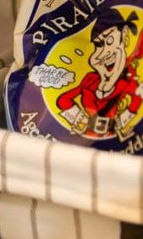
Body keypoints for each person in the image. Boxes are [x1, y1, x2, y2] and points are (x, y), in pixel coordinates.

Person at [58, 8, 143, 140]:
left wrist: (120, 121)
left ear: (124, 35)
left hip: (114, 139)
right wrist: (82, 121)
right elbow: (63, 100)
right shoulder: (90, 79)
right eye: (98, 44)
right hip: (81, 140)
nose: (104, 51)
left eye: (109, 41)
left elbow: (137, 98)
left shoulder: (127, 80)